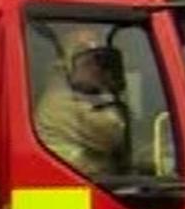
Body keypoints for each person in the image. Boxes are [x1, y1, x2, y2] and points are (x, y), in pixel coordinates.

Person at [34, 28, 128, 177]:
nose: (96, 65)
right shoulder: (62, 100)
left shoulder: (80, 94)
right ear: (66, 63)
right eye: (88, 58)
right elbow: (112, 134)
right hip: (72, 188)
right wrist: (104, 87)